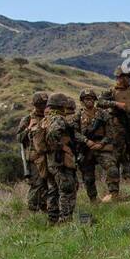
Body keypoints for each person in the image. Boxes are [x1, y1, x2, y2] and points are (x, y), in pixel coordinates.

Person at [44, 92, 78, 225]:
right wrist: (62, 147)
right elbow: (53, 134)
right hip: (60, 160)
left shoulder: (47, 119)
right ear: (61, 105)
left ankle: (52, 219)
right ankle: (65, 220)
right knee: (67, 189)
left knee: (53, 190)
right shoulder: (58, 119)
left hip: (51, 161)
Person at [17, 91, 49, 213]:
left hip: (48, 155)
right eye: (41, 104)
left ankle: (45, 208)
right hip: (34, 158)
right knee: (37, 184)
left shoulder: (49, 117)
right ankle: (32, 211)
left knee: (47, 184)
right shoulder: (28, 119)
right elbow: (19, 138)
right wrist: (28, 128)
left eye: (45, 104)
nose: (43, 107)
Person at [73, 89, 108, 202]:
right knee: (88, 177)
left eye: (91, 98)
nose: (89, 101)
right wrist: (85, 140)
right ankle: (93, 200)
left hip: (101, 146)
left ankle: (114, 195)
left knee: (112, 169)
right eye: (86, 99)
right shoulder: (78, 115)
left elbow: (110, 131)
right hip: (86, 148)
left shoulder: (102, 113)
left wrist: (101, 143)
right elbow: (74, 132)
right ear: (82, 101)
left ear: (94, 100)